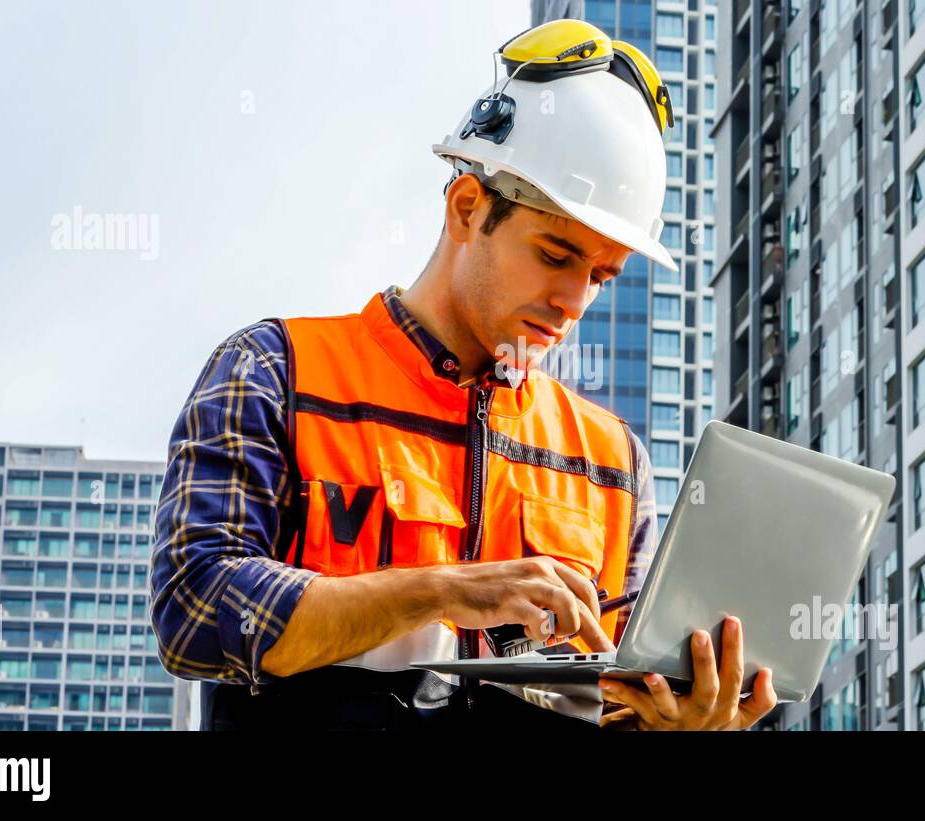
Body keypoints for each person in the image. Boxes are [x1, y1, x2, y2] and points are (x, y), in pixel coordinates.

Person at [150, 19, 777, 731]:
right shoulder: (276, 374)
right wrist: (442, 592)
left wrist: (682, 719)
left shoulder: (612, 462)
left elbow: (614, 704)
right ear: (467, 209)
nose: (576, 301)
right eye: (554, 254)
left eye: (601, 275)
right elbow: (195, 607)